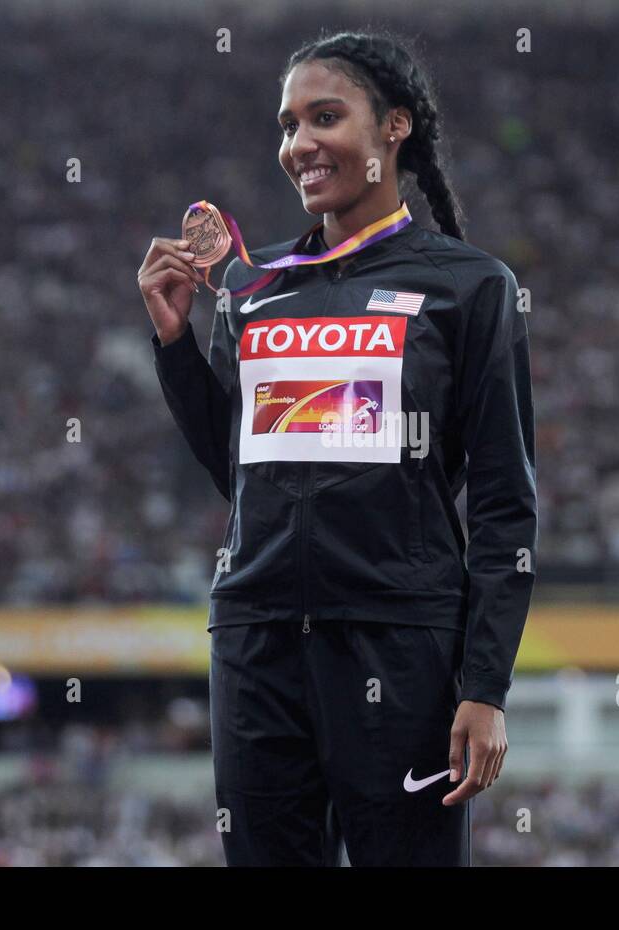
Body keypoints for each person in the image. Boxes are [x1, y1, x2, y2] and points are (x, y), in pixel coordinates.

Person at [137, 30, 537, 866]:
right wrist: (175, 345)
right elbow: (239, 471)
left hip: (402, 644)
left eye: (325, 117)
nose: (300, 144)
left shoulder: (470, 287)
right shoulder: (252, 289)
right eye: (288, 125)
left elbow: (505, 503)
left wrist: (485, 685)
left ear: (395, 126)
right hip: (256, 641)